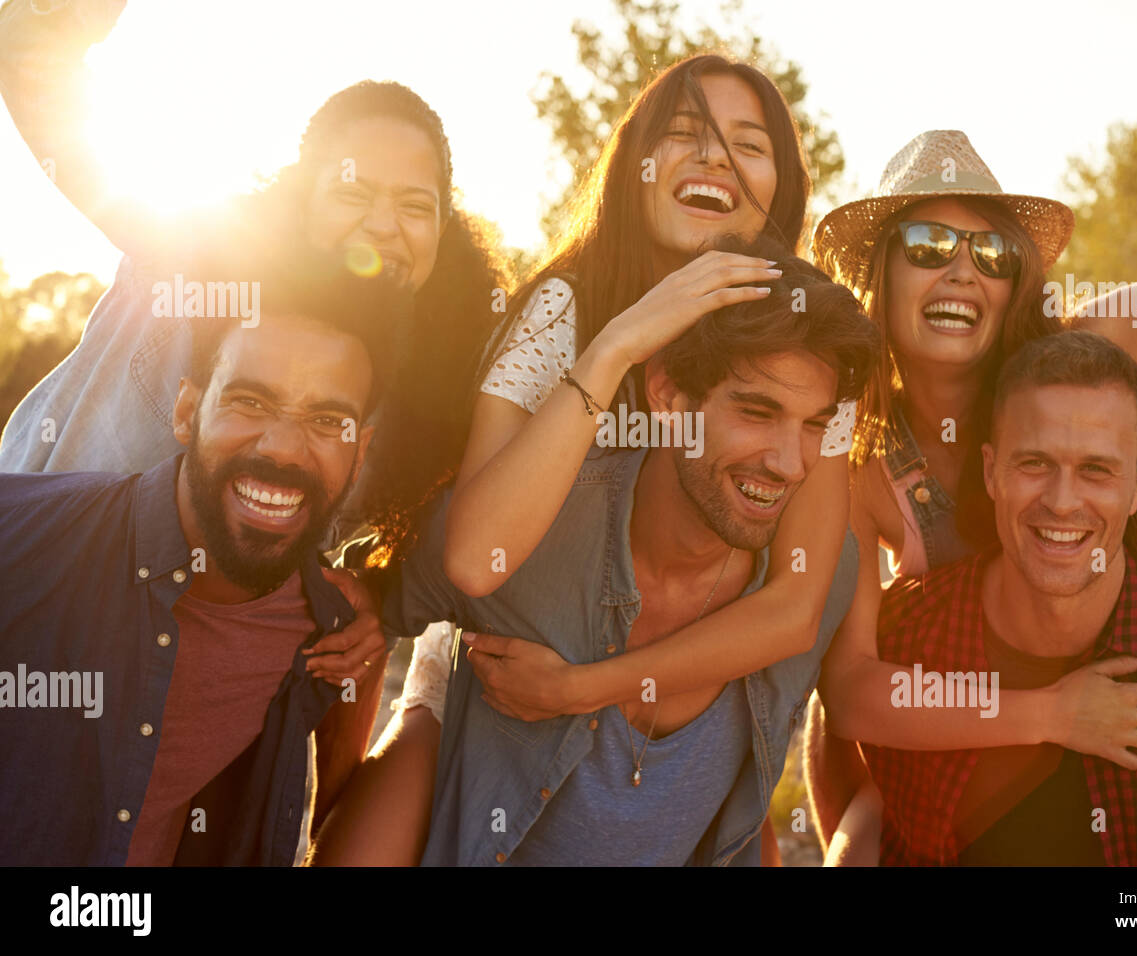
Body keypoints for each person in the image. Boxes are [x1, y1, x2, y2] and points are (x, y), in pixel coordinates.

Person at [379, 58, 854, 867]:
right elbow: (475, 558)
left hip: (669, 679)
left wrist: (581, 690)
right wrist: (625, 339)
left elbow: (793, 607)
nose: (715, 159)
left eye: (749, 145)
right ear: (634, 165)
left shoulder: (806, 342)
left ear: (780, 188)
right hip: (500, 649)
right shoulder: (562, 308)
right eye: (684, 136)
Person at [805, 127, 1137, 865]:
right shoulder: (864, 460)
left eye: (993, 253)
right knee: (855, 822)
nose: (963, 271)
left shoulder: (1073, 361)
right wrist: (1052, 715)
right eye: (929, 245)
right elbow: (849, 693)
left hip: (1122, 663)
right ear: (882, 271)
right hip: (980, 707)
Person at [311, 245, 877, 866]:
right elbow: (357, 615)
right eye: (756, 412)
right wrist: (331, 812)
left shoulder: (824, 578)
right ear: (668, 396)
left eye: (815, 424)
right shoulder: (533, 529)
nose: (790, 463)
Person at [0, 0, 505, 562]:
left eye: (415, 206)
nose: (383, 226)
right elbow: (30, 55)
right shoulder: (199, 254)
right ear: (301, 200)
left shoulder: (421, 380)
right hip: (31, 584)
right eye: (352, 194)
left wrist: (368, 599)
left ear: (444, 228)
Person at [0, 251, 401, 865]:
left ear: (360, 449)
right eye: (252, 403)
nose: (285, 449)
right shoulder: (26, 536)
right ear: (187, 412)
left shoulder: (334, 631)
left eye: (326, 420)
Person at [855, 329, 1137, 865]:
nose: (1063, 502)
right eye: (1035, 463)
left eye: (1096, 469)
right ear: (991, 470)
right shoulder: (898, 636)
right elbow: (844, 757)